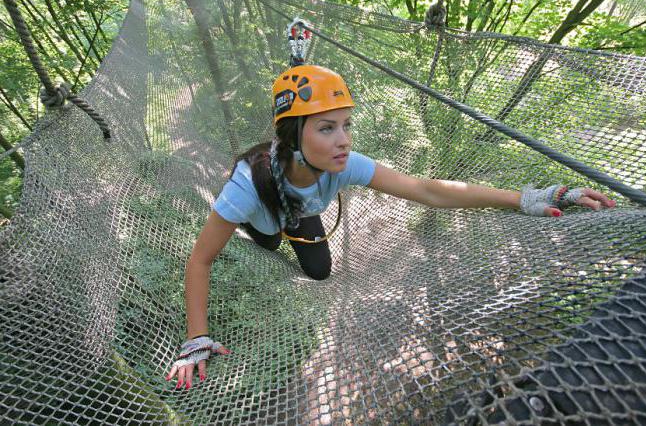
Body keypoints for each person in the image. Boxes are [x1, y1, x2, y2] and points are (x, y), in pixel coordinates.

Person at [165, 65, 616, 390]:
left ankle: (284, 234)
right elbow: (200, 260)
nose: (343, 139)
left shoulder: (343, 165)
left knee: (319, 271)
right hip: (262, 214)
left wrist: (524, 198)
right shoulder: (244, 188)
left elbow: (429, 190)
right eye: (326, 128)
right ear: (291, 139)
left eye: (345, 125)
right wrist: (196, 338)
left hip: (301, 214)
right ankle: (266, 236)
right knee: (264, 240)